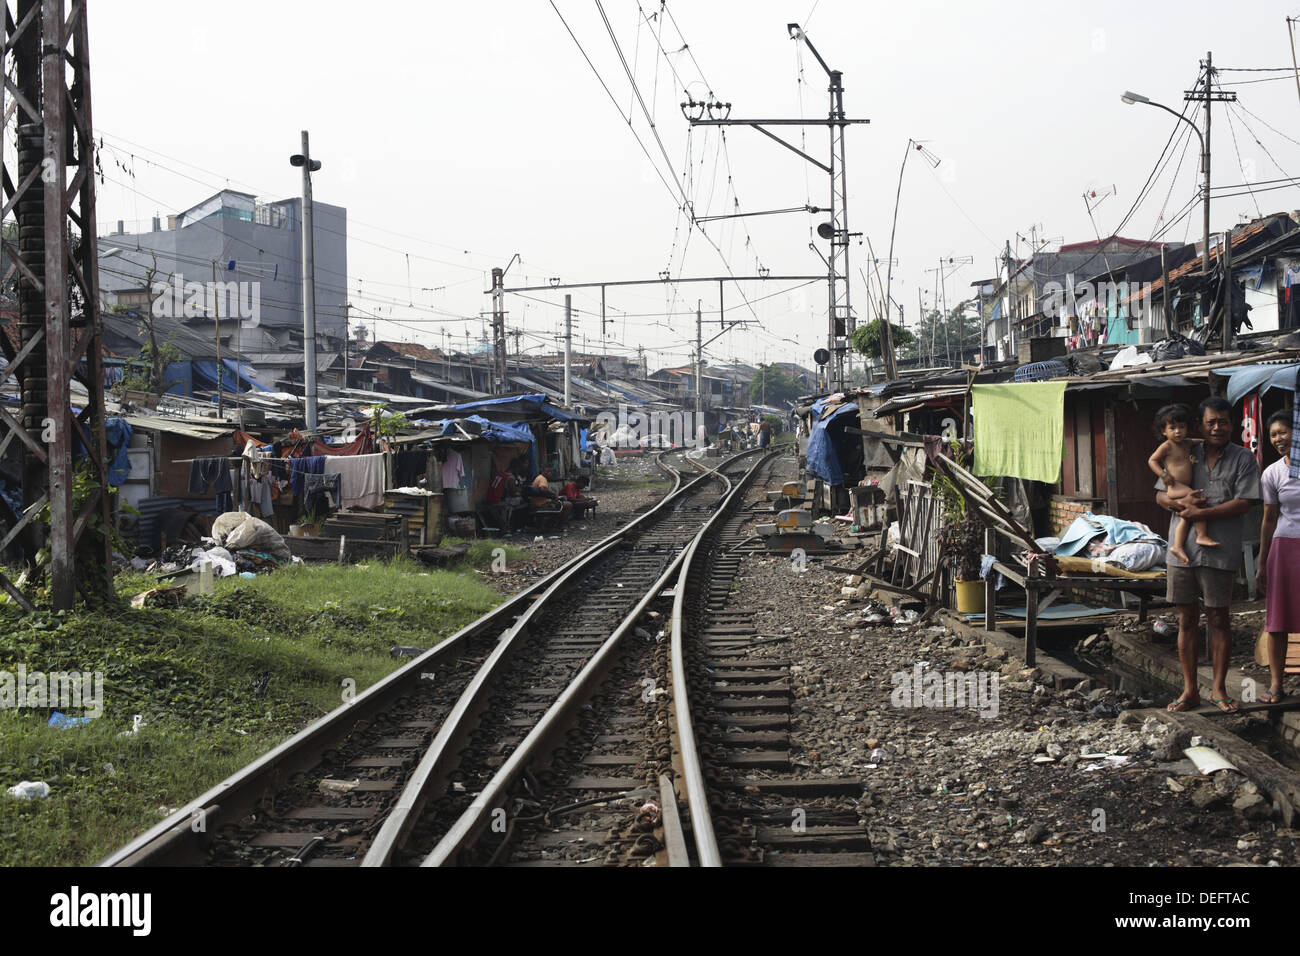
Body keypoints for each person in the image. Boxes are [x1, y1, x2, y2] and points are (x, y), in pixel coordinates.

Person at [1156, 396, 1261, 713]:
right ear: (1200, 424)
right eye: (1211, 422)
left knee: (1219, 618)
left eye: (1224, 421)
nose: (1218, 427)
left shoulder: (1243, 459)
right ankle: (1189, 691)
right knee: (1186, 619)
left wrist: (1204, 512)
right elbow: (1160, 493)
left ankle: (1218, 689)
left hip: (1219, 551)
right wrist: (1178, 506)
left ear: (1234, 425)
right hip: (1182, 551)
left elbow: (1244, 503)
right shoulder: (1184, 450)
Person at [1256, 409, 1299, 704]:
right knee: (1278, 621)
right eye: (1273, 434)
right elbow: (1268, 519)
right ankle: (1275, 684)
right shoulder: (1271, 473)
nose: (1278, 438)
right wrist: (1262, 562)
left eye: (1283, 431)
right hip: (1283, 547)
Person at [1147, 403, 1216, 565]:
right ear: (1164, 431)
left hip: (1183, 487)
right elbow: (1152, 460)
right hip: (1175, 487)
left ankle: (1177, 545)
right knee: (1198, 504)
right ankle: (1201, 535)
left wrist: (1209, 441)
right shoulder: (1167, 446)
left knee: (1189, 512)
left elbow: (1199, 441)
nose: (1178, 431)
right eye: (1172, 428)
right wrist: (1164, 474)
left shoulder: (1186, 443)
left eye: (1182, 427)